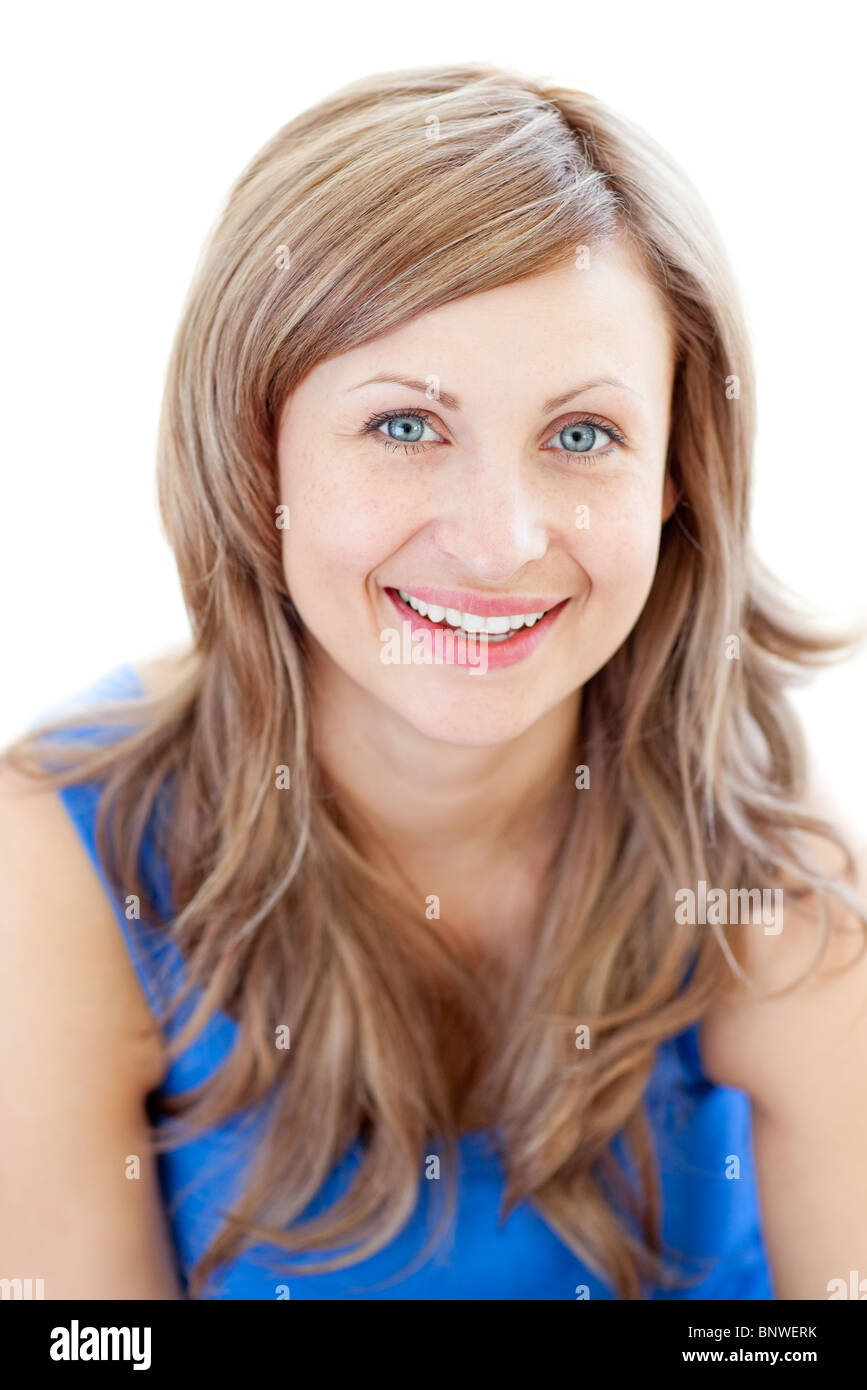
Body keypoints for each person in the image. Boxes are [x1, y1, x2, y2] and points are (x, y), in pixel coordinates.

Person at [1, 62, 865, 1302]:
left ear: (674, 475)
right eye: (406, 425)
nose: (502, 538)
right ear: (258, 452)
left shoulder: (771, 884)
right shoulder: (58, 867)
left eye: (583, 436)